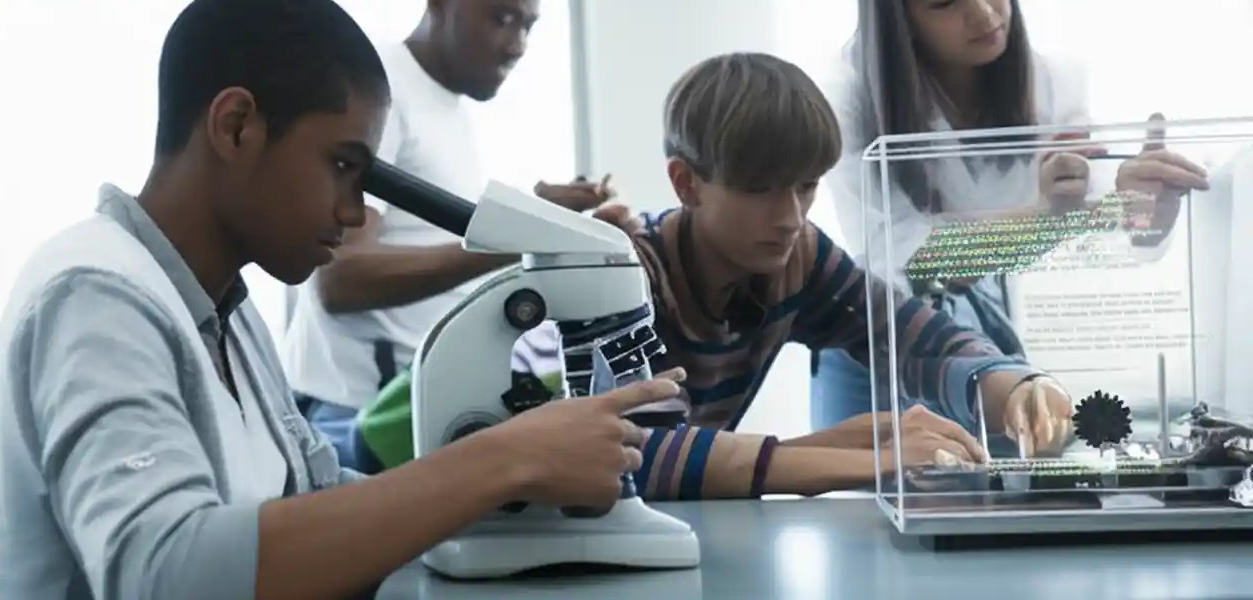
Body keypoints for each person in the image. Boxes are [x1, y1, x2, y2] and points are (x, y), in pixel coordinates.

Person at [0, 0, 680, 600]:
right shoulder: (95, 295)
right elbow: (165, 574)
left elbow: (310, 491)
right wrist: (503, 459)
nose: (352, 212)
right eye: (343, 165)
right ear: (236, 126)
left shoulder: (223, 309)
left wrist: (517, 496)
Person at [358, 51, 1077, 499]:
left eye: (806, 186)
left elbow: (913, 335)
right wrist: (851, 458)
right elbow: (628, 457)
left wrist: (1010, 383)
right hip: (418, 489)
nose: (790, 216)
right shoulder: (626, 274)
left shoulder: (798, 257)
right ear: (687, 183)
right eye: (762, 189)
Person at [811, 0, 1210, 432]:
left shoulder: (1054, 83)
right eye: (945, 0)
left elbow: (1103, 228)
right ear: (899, 18)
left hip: (989, 342)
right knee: (871, 486)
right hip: (876, 343)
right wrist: (1046, 219)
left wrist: (1144, 211)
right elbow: (908, 260)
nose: (984, 13)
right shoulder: (847, 98)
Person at [281, 0, 612, 470]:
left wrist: (537, 211)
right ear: (439, 1)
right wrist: (518, 239)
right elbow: (342, 278)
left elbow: (428, 238)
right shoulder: (383, 90)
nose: (517, 44)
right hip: (359, 421)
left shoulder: (445, 105)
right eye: (501, 18)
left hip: (408, 411)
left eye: (528, 25)